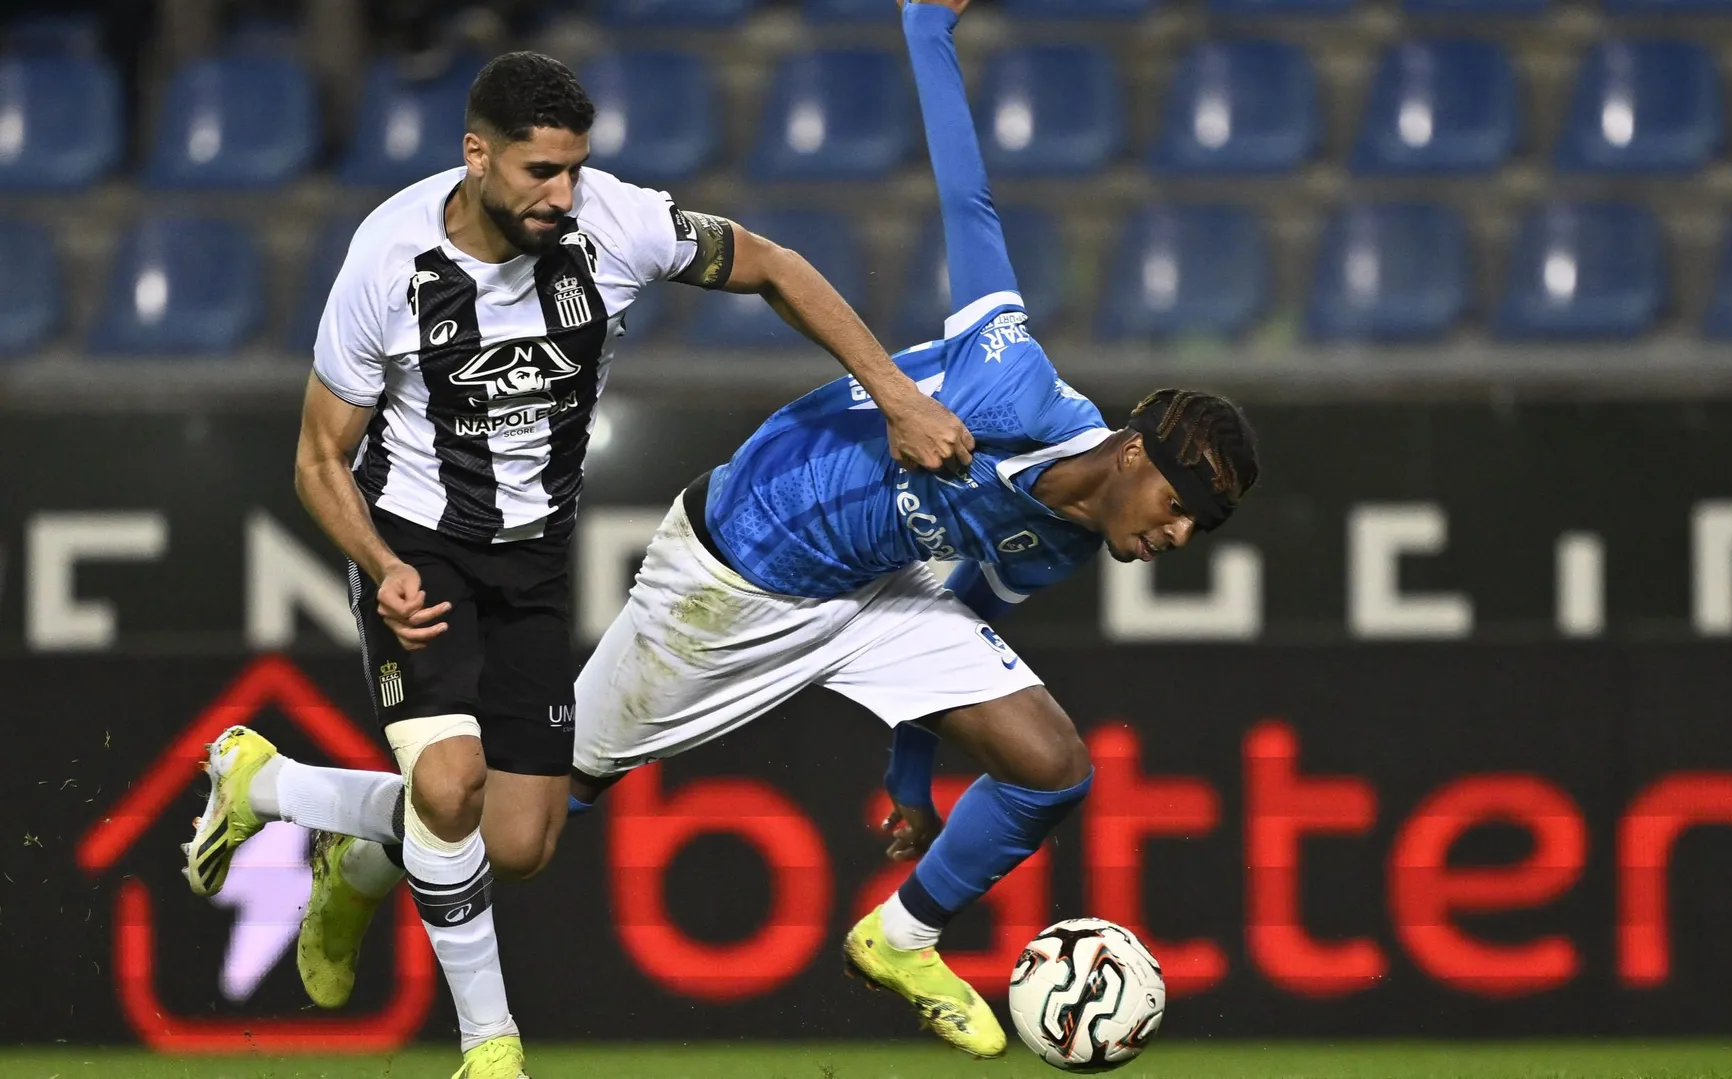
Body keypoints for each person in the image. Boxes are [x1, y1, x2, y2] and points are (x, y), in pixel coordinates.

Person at [226, 0, 1257, 1057]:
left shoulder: (1069, 538)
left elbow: (962, 605)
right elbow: (969, 202)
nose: (1179, 535)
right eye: (1180, 507)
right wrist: (927, 34)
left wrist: (910, 777)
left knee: (1054, 764)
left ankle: (901, 935)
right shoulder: (1013, 382)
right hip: (735, 573)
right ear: (1136, 454)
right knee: (514, 834)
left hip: (872, 594)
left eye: (1200, 524)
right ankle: (314, 818)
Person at [178, 50, 973, 1079]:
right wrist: (378, 562)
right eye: (539, 171)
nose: (562, 194)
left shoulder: (617, 223)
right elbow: (318, 459)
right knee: (449, 783)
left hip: (535, 558)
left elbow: (776, 265)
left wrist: (898, 398)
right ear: (477, 156)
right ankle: (491, 1048)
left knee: (517, 843)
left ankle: (283, 792)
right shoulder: (387, 262)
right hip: (417, 542)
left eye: (574, 169)